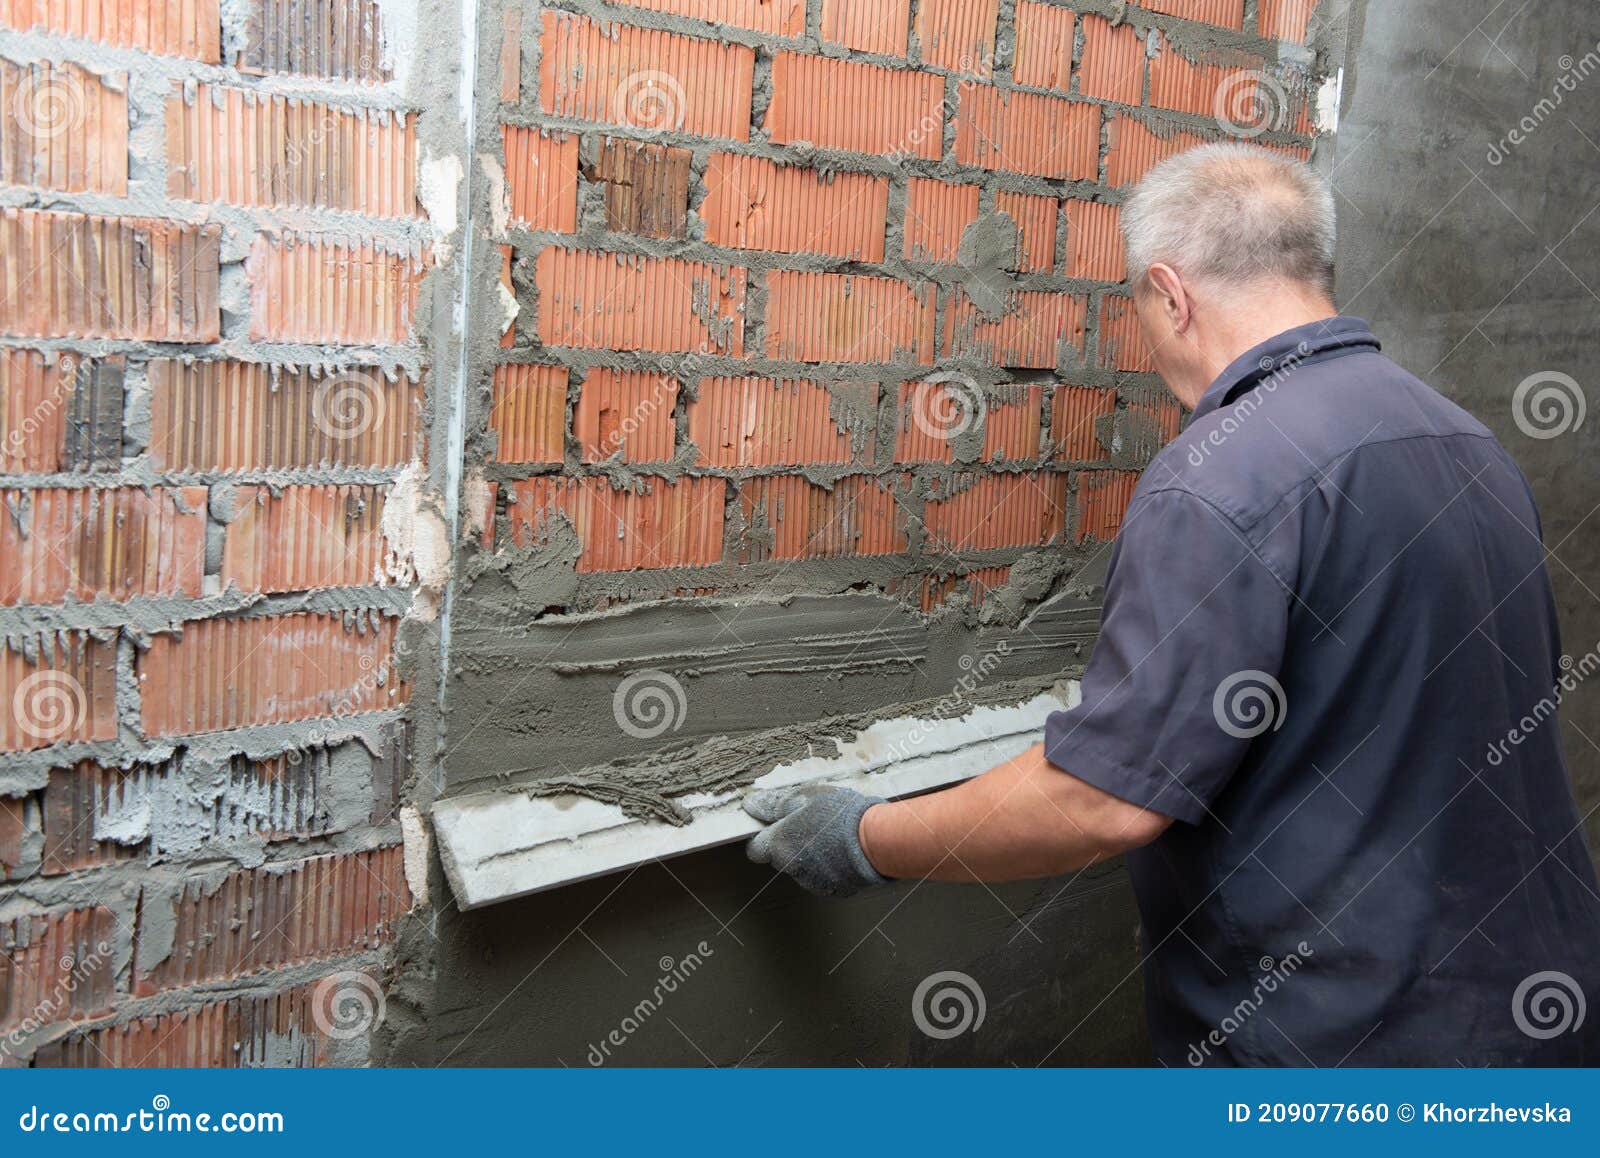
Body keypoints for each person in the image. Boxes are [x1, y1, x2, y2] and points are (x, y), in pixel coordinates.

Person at [742, 142, 1600, 1066]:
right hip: (1538, 1016)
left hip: (1341, 1048)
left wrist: (863, 837)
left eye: (1140, 313)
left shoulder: (1221, 475)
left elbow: (1102, 802)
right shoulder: (1464, 441)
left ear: (1172, 293)